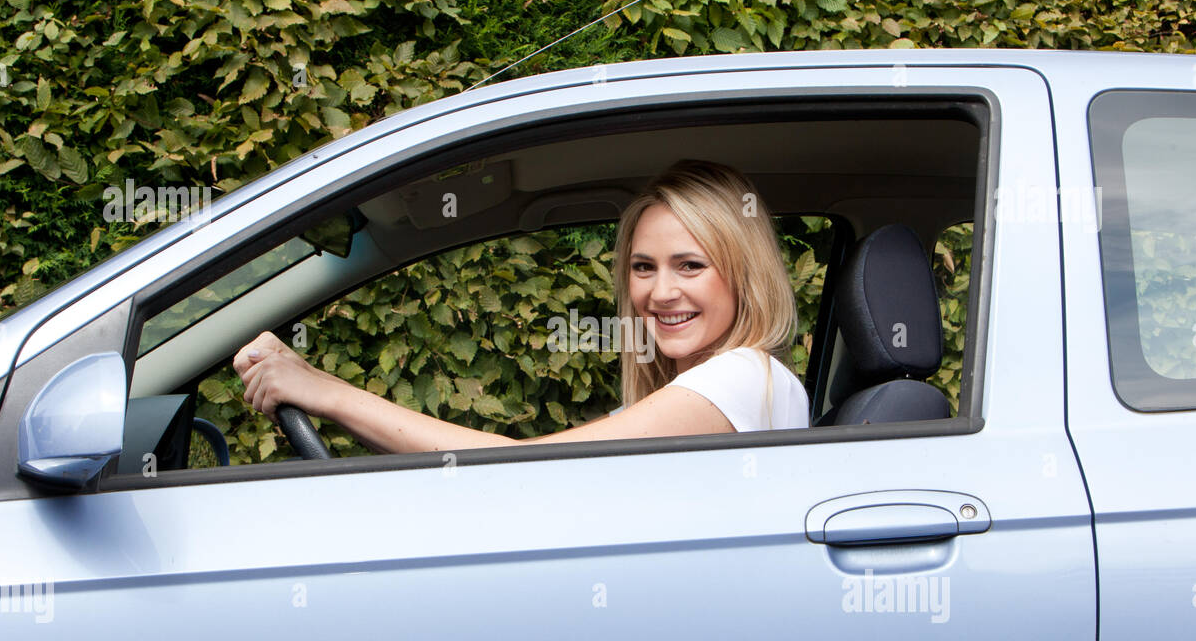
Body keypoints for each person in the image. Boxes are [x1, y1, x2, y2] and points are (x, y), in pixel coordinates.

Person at [233, 160, 810, 454]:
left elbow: (518, 467)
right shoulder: (698, 393)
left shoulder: (741, 378)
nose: (659, 293)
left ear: (742, 274)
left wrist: (323, 391)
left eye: (690, 265)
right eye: (643, 267)